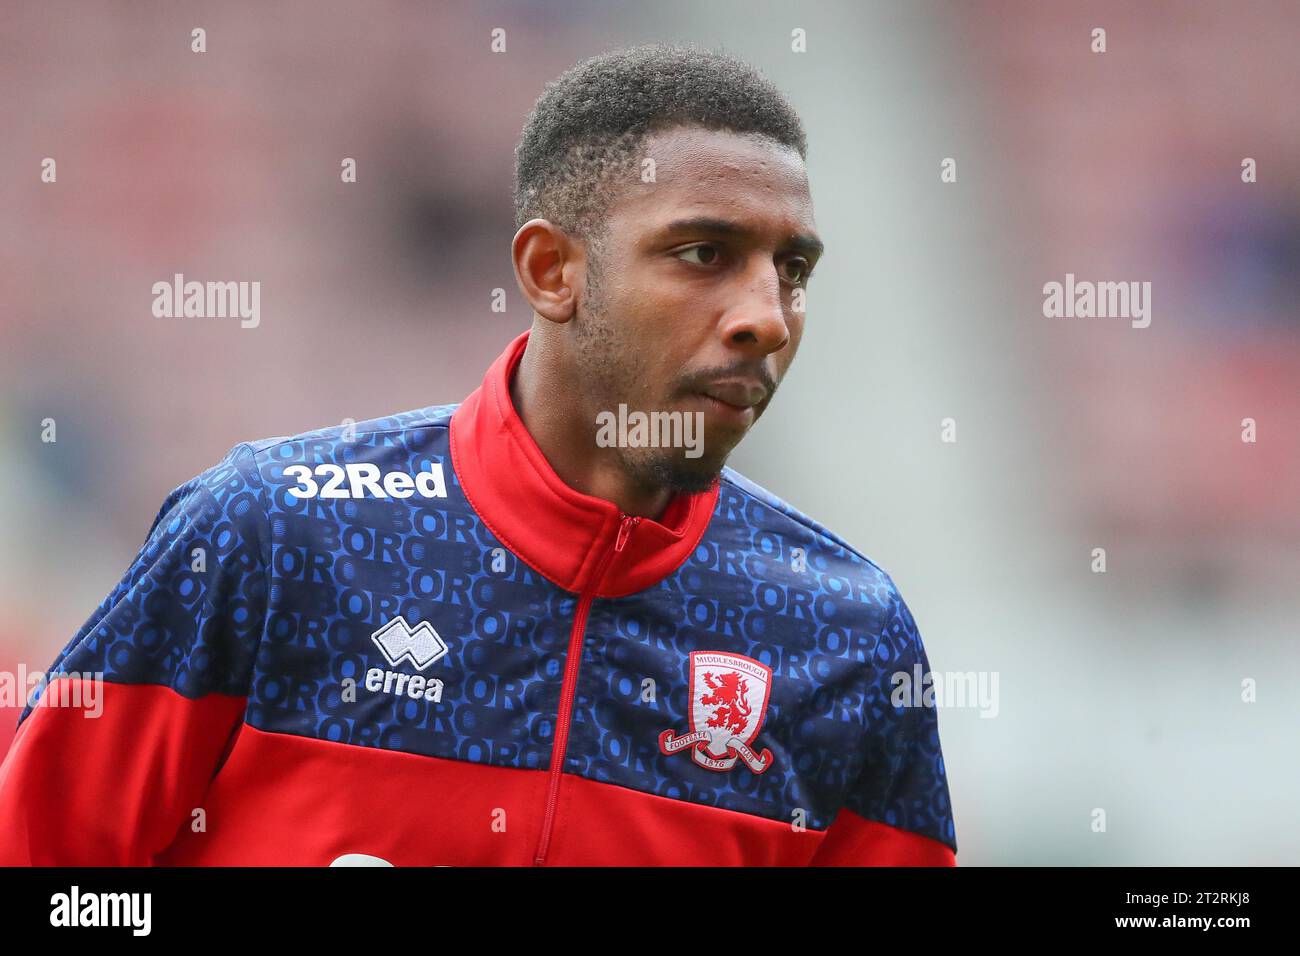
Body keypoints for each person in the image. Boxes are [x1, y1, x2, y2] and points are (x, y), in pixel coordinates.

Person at [0, 43, 956, 866]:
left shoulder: (845, 633)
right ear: (552, 271)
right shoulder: (274, 531)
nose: (765, 318)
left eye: (792, 271)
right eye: (704, 253)